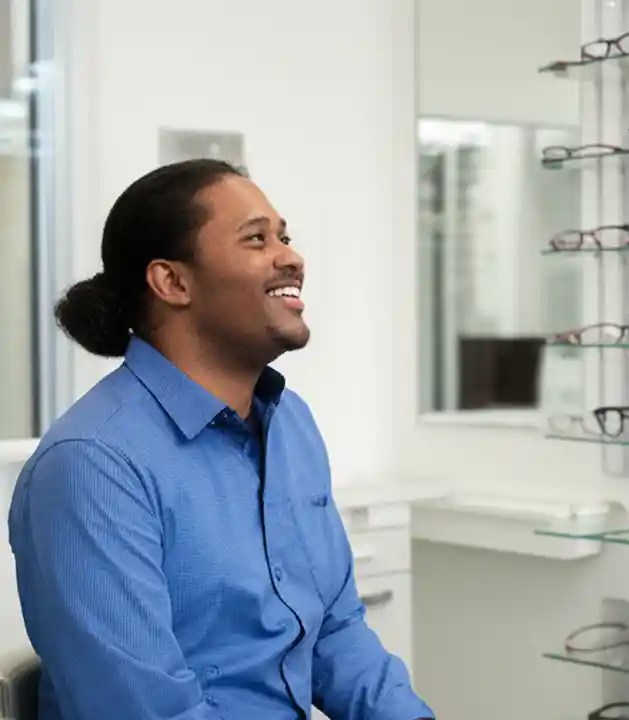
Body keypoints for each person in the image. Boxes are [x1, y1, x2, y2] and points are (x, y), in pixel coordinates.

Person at [8, 159, 434, 720]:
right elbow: (147, 711)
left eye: (284, 236)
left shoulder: (291, 425)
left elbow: (334, 631)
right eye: (256, 239)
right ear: (173, 282)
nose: (291, 256)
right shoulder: (91, 465)